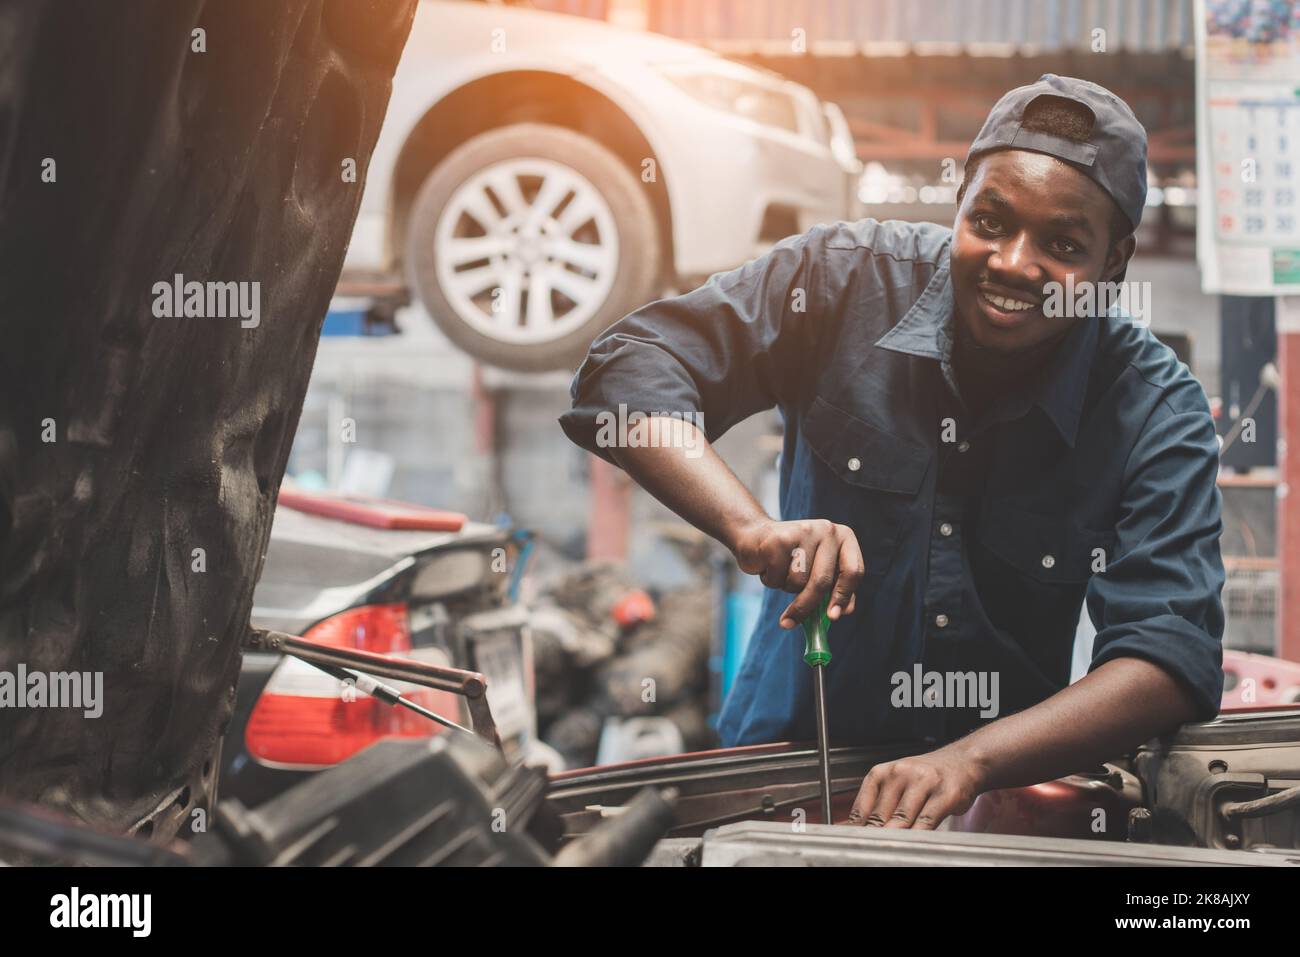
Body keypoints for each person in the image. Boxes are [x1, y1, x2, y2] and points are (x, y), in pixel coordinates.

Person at [559, 75, 1225, 829]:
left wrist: (970, 760)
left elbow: (1169, 658)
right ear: (960, 204)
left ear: (1113, 264)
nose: (1013, 262)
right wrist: (750, 527)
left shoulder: (1153, 408)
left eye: (1062, 244)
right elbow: (628, 368)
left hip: (997, 802)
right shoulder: (839, 282)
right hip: (787, 774)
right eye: (990, 220)